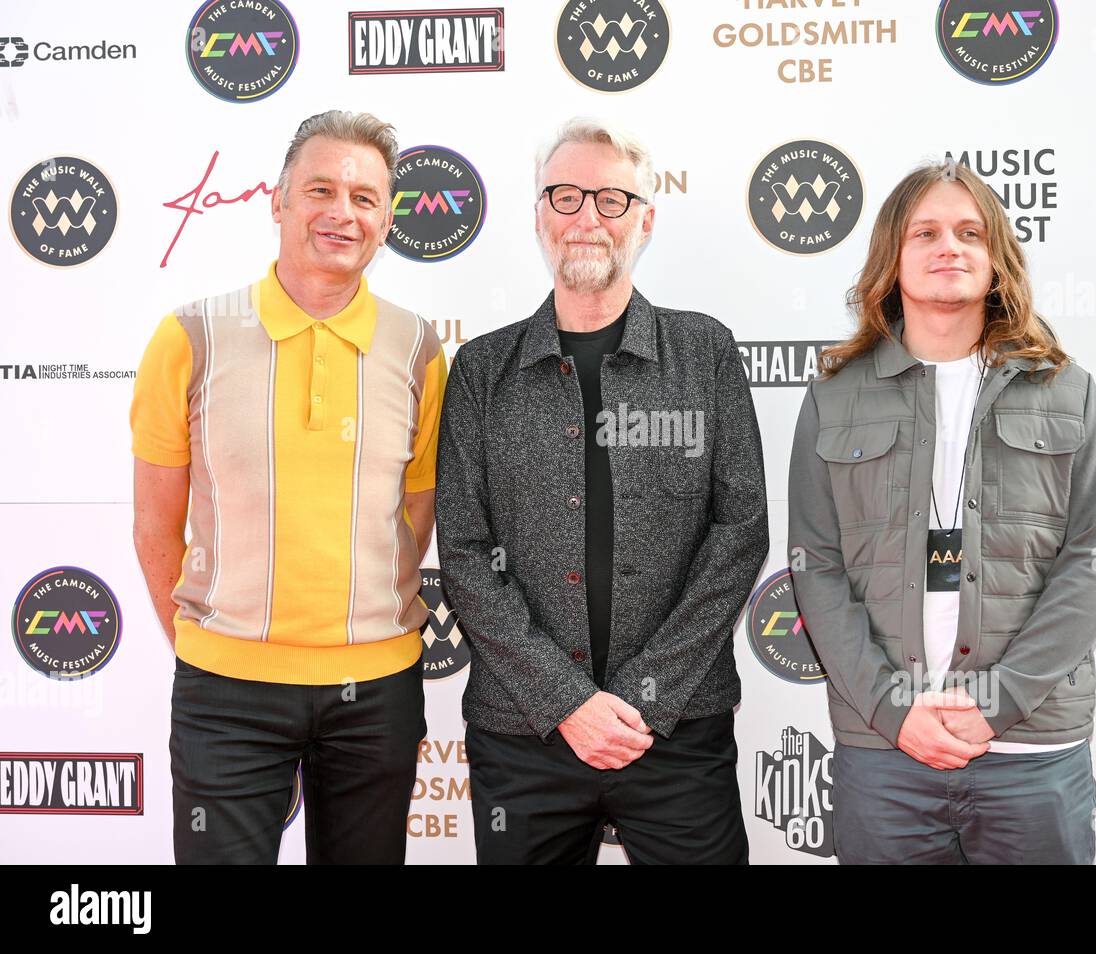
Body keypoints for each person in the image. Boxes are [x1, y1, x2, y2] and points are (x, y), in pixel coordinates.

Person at [436, 117, 768, 864]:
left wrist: (645, 699)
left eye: (611, 199)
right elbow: (461, 551)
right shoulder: (483, 371)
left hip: (679, 732)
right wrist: (568, 704)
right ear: (537, 217)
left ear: (645, 219)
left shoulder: (704, 351)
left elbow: (740, 530)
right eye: (564, 195)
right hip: (523, 738)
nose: (586, 216)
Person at [130, 110, 447, 864]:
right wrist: (213, 654)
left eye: (366, 198)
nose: (342, 213)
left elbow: (417, 507)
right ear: (277, 201)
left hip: (376, 694)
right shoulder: (191, 337)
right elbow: (153, 528)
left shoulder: (418, 349)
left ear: (388, 219)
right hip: (226, 693)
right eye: (321, 190)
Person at [788, 161, 1096, 864]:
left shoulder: (1068, 391)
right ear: (893, 258)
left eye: (971, 232)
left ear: (997, 260)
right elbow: (815, 566)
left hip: (1032, 750)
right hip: (885, 752)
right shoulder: (833, 397)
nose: (951, 247)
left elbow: (1092, 564)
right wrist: (891, 709)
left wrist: (995, 703)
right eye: (927, 232)